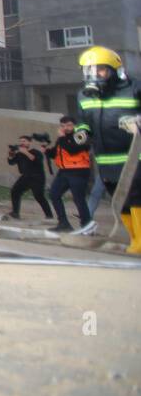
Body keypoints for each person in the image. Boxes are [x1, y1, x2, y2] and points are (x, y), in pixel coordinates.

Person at [75, 46, 141, 253]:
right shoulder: (84, 96)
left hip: (134, 157)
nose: (93, 75)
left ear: (115, 70)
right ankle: (134, 239)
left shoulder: (134, 88)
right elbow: (82, 121)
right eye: (88, 71)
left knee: (137, 198)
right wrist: (83, 132)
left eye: (100, 70)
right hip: (105, 160)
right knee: (120, 201)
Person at [47, 115, 93, 232]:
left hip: (78, 171)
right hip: (64, 171)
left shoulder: (81, 135)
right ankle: (63, 223)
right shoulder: (62, 139)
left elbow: (72, 150)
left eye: (68, 125)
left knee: (78, 199)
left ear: (74, 126)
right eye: (62, 126)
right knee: (54, 194)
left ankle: (87, 225)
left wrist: (62, 138)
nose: (65, 128)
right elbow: (56, 153)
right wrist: (46, 151)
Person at [7, 135, 53, 220]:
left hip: (37, 177)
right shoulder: (20, 154)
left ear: (29, 142)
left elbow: (36, 160)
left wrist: (25, 152)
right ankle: (15, 213)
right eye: (20, 141)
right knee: (15, 191)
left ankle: (49, 215)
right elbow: (11, 162)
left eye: (24, 141)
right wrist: (11, 154)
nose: (22, 143)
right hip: (26, 176)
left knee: (39, 196)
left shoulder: (35, 152)